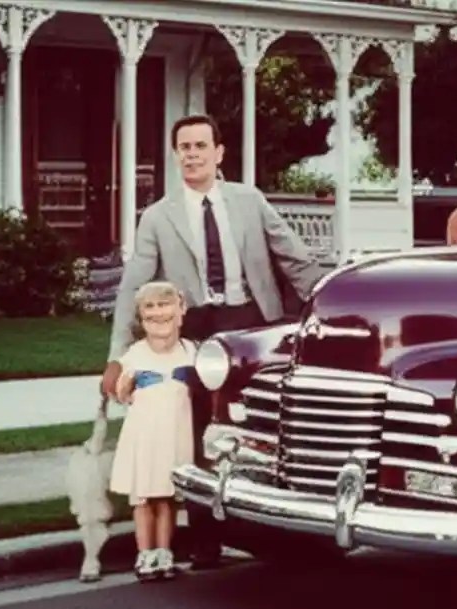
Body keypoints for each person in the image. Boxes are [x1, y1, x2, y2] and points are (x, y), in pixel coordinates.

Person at [101, 114, 325, 569]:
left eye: (202, 145)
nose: (193, 154)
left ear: (219, 153)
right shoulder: (158, 217)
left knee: (265, 427)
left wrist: (332, 300)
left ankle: (278, 529)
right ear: (175, 154)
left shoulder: (249, 200)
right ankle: (206, 540)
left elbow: (295, 258)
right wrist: (116, 358)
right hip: (199, 332)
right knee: (203, 433)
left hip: (252, 326)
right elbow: (134, 286)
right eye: (184, 146)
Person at [109, 282, 196, 581]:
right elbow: (122, 390)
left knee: (168, 496)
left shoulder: (191, 351)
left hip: (176, 433)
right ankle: (145, 554)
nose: (159, 314)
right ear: (141, 319)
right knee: (145, 496)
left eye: (165, 305)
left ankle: (164, 552)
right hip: (146, 435)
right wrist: (125, 389)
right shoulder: (136, 354)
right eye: (150, 308)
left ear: (181, 310)